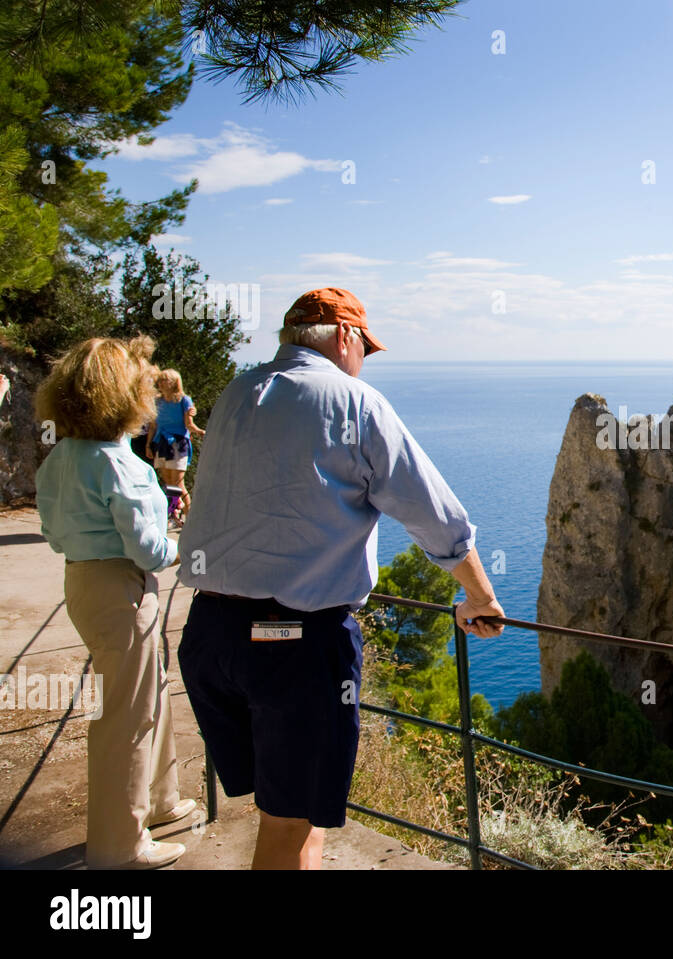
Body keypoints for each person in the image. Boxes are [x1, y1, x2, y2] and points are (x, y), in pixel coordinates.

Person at [177, 287, 505, 870]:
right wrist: (478, 595)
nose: (363, 361)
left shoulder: (236, 392)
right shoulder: (355, 402)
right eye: (365, 348)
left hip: (209, 637)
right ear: (347, 338)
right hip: (293, 648)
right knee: (288, 822)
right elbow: (434, 514)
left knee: (292, 811)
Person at [34, 336, 196, 869]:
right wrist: (188, 546)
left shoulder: (60, 457)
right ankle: (118, 846)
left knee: (148, 696)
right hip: (123, 589)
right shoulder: (120, 465)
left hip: (82, 582)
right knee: (126, 717)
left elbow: (55, 536)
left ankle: (159, 802)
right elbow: (149, 552)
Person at [146, 369, 204, 526]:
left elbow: (189, 424)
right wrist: (149, 445)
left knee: (178, 483)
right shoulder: (158, 402)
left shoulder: (184, 400)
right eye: (161, 380)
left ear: (174, 382)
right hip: (162, 443)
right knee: (169, 483)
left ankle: (192, 519)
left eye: (165, 380)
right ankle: (175, 515)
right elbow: (153, 425)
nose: (161, 383)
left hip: (178, 443)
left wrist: (199, 431)